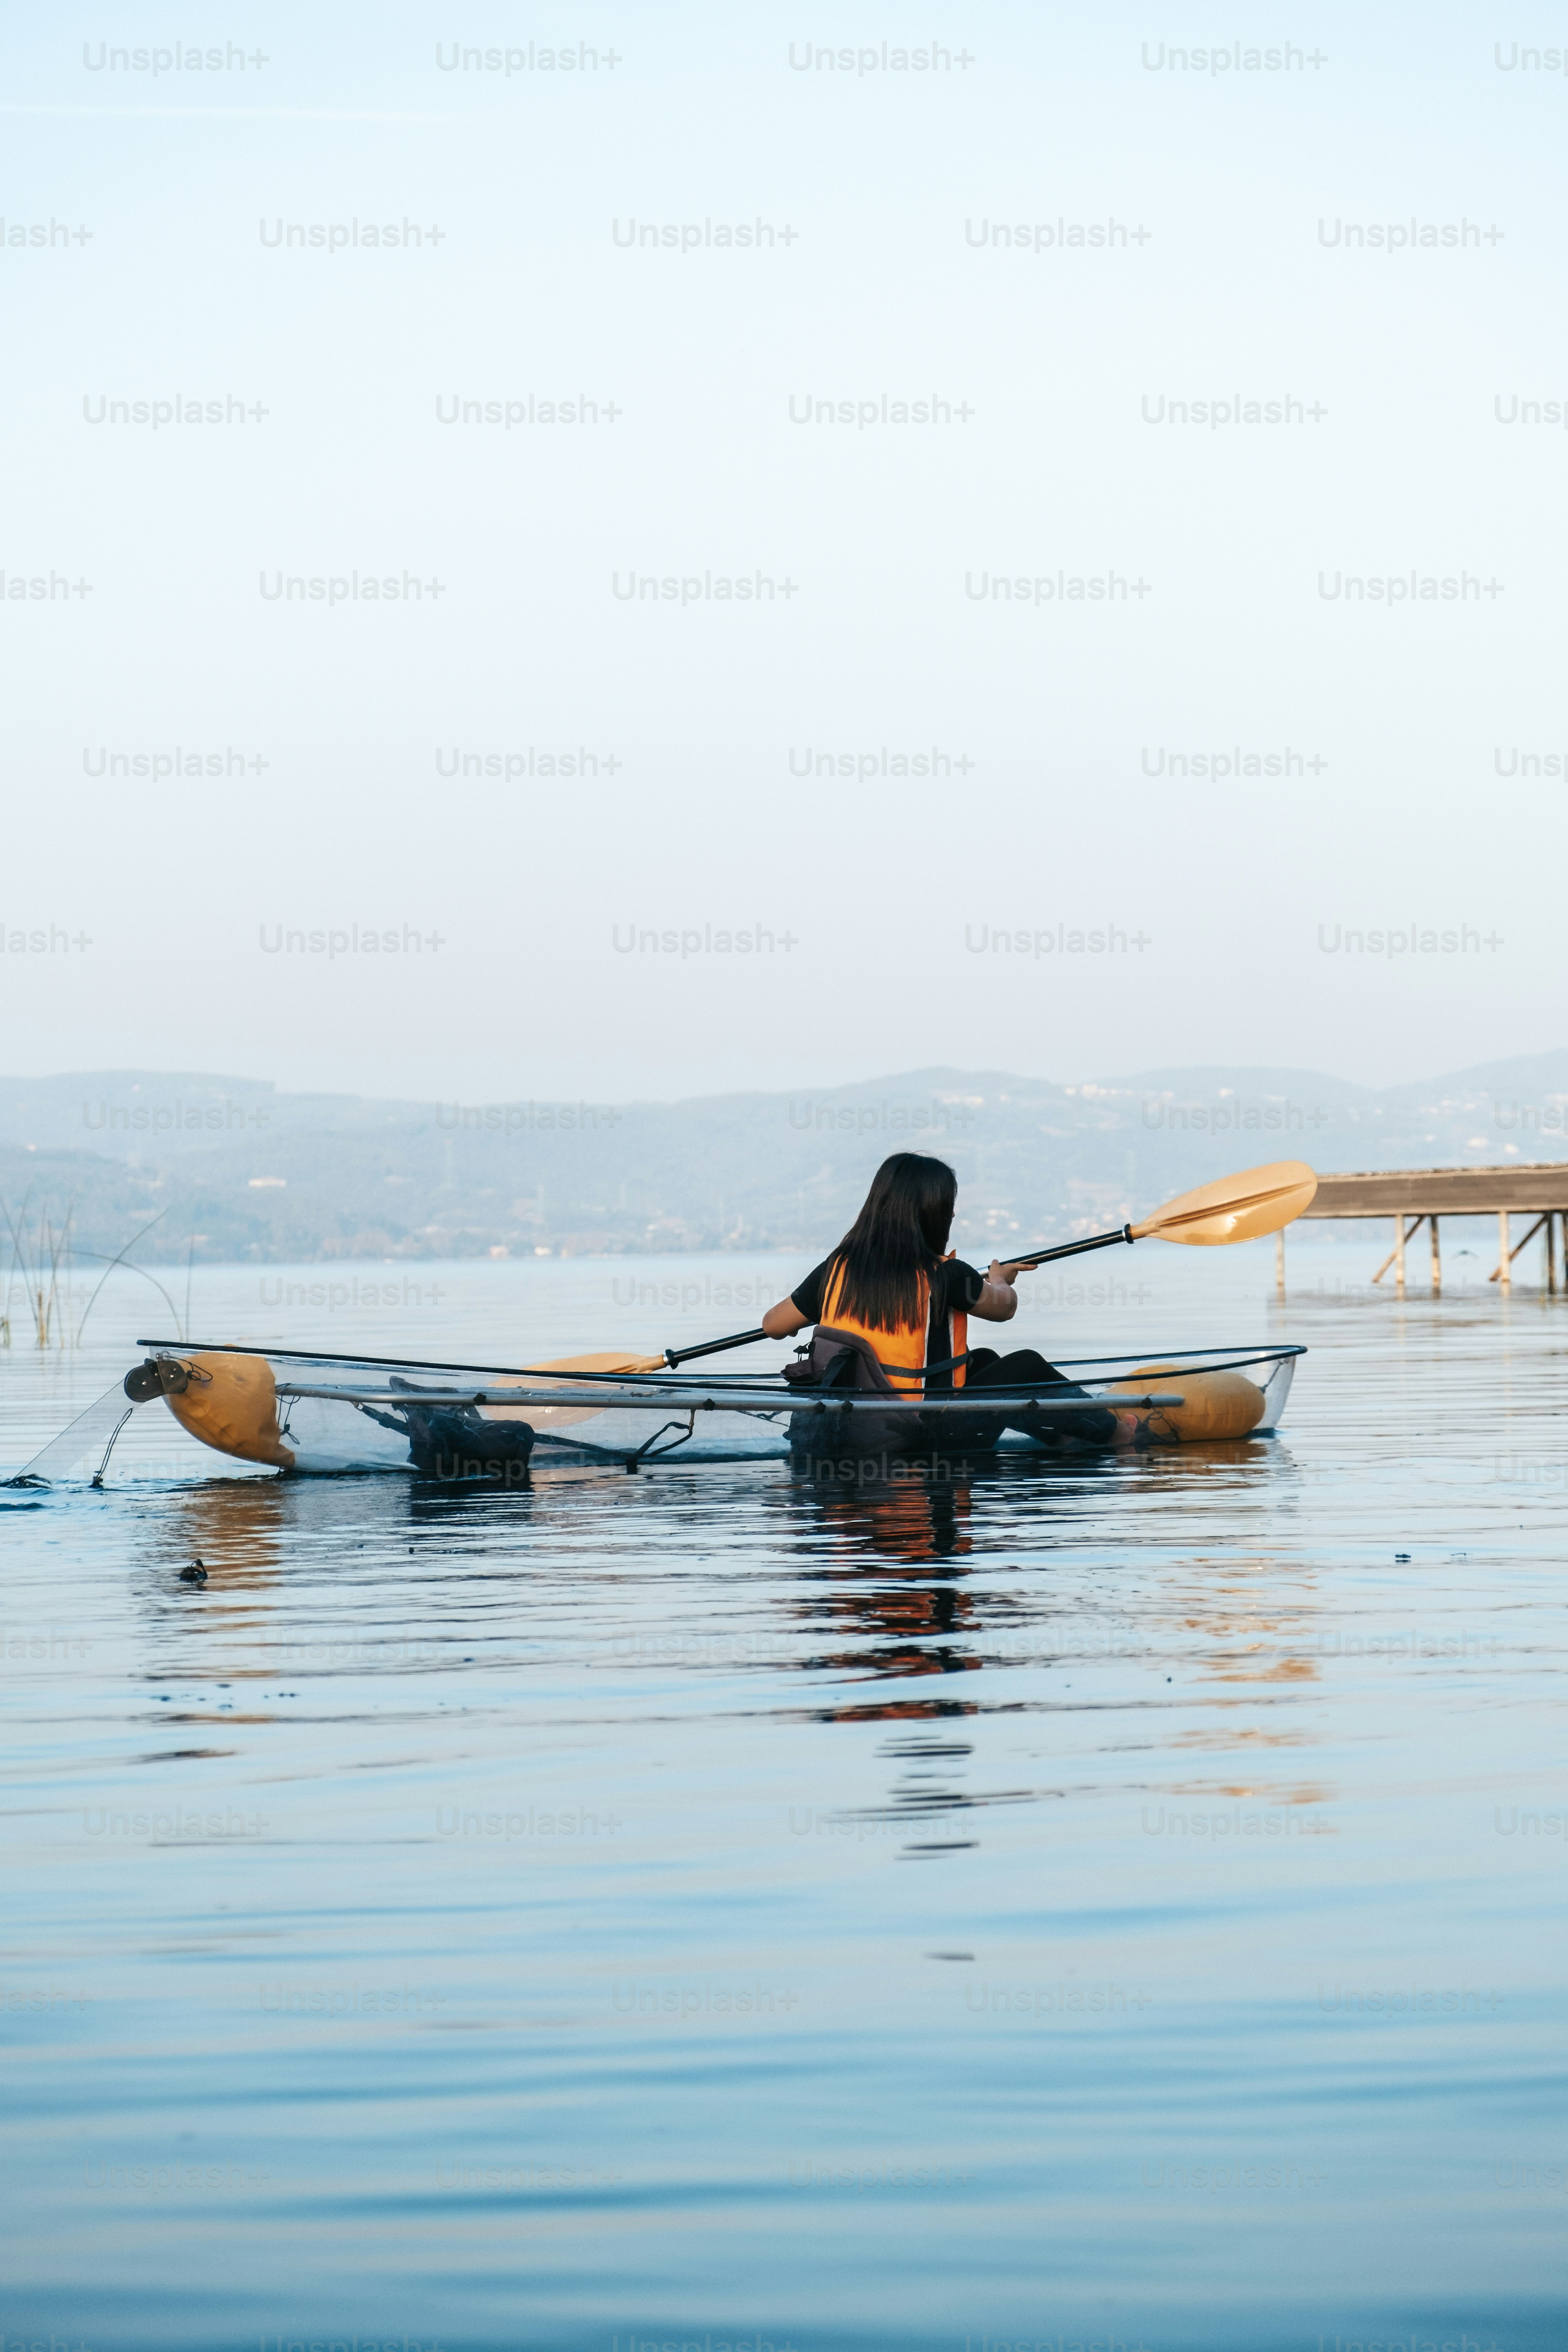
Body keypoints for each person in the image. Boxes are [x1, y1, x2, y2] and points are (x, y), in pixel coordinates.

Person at [761, 1151, 1117, 1447]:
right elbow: (1004, 1308)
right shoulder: (947, 1274)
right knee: (1025, 1365)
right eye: (949, 1205)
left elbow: (773, 1326)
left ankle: (1061, 1438)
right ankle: (1117, 1434)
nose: (953, 1213)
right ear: (933, 1213)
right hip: (916, 1437)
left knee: (982, 1362)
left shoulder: (835, 1270)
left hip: (848, 1431)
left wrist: (820, 1311)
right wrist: (999, 1280)